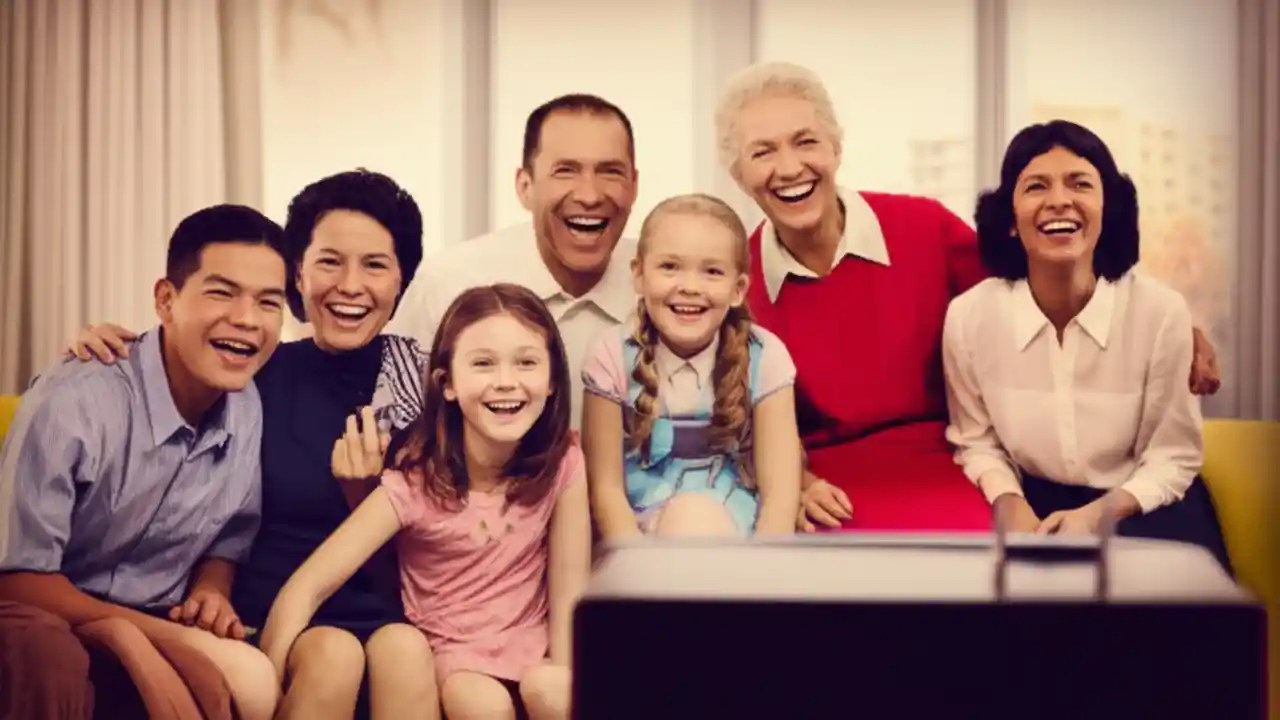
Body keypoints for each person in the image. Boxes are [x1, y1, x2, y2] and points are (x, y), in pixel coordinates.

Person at [713, 61, 1223, 533]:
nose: (789, 167)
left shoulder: (923, 228)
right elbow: (743, 415)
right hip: (829, 488)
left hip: (950, 469)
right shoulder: (738, 281)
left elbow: (1042, 270)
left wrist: (1178, 331)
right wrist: (792, 486)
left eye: (805, 142)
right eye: (763, 151)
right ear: (738, 173)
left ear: (835, 148)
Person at [64, 170, 434, 720]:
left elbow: (449, 546)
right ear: (298, 275)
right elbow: (174, 355)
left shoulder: (429, 386)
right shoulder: (248, 369)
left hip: (389, 611)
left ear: (401, 281)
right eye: (329, 261)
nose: (350, 285)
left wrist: (364, 495)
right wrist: (107, 344)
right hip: (258, 613)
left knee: (402, 651)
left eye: (375, 265)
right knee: (332, 655)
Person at [0, 204, 287, 720]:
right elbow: (18, 576)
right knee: (51, 657)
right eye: (221, 292)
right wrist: (143, 637)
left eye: (268, 302)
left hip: (154, 616)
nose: (247, 319)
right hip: (39, 617)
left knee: (242, 682)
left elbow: (230, 535)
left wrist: (210, 589)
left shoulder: (246, 403)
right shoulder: (78, 400)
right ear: (166, 300)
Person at [261, 284, 591, 720]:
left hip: (533, 653)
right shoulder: (414, 485)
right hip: (454, 661)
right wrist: (270, 686)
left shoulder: (563, 463)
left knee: (553, 686)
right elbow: (307, 587)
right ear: (447, 383)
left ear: (551, 382)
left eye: (526, 362)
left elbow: (570, 595)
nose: (506, 381)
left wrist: (570, 677)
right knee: (480, 702)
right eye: (483, 364)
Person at [943, 119, 1231, 570]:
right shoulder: (968, 317)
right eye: (1036, 186)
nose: (1059, 200)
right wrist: (1007, 500)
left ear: (1108, 209)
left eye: (1080, 183)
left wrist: (1101, 514)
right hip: (1031, 498)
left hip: (1144, 502)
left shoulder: (1161, 312)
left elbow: (1173, 456)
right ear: (1011, 221)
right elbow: (975, 440)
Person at [388, 94, 640, 429]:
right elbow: (395, 425)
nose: (589, 195)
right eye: (565, 171)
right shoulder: (448, 282)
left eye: (610, 172)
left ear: (634, 186)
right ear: (525, 186)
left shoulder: (672, 289)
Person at [582, 194, 802, 538]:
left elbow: (780, 496)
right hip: (638, 529)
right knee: (689, 524)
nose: (689, 287)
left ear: (738, 289)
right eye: (669, 267)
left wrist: (764, 571)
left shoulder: (765, 356)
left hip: (737, 524)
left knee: (697, 523)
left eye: (712, 272)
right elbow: (605, 491)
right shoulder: (611, 355)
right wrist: (634, 567)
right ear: (639, 275)